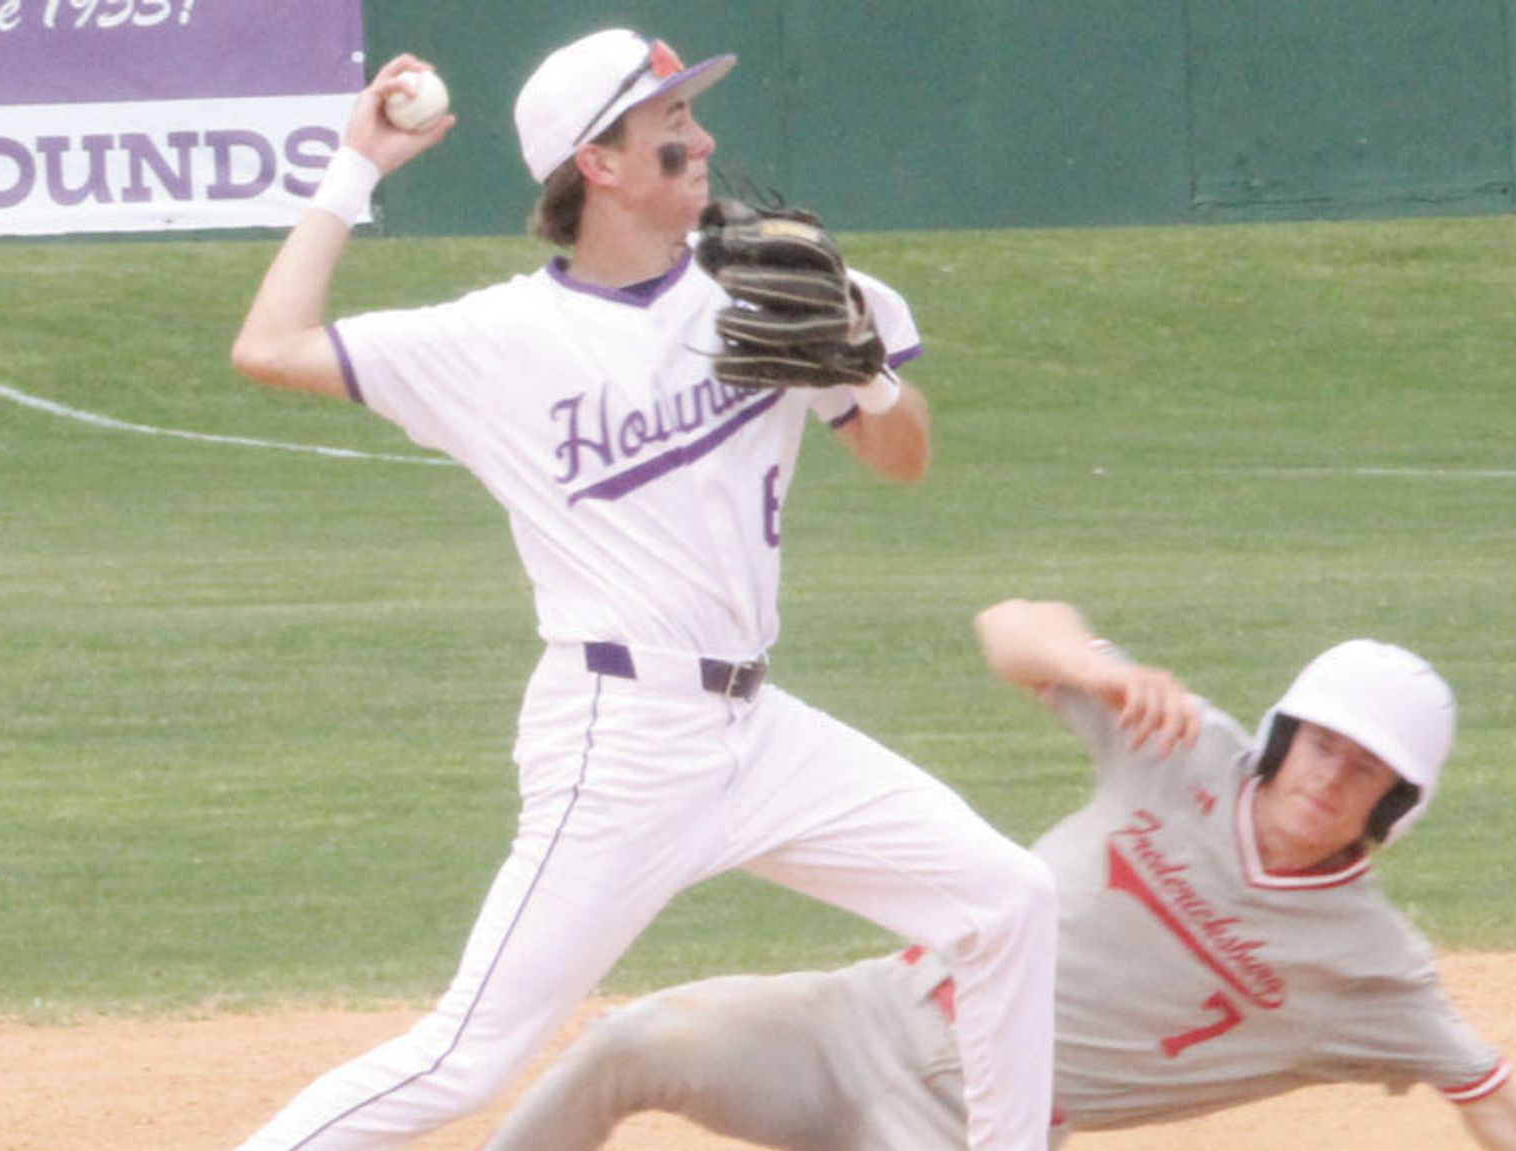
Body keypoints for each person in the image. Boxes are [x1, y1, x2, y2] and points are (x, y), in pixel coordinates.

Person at [227, 28, 1057, 1151]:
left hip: (758, 733)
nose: (703, 142)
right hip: (619, 742)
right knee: (464, 1057)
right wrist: (355, 166)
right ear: (599, 165)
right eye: (671, 128)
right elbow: (268, 343)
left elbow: (901, 456)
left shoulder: (772, 287)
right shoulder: (496, 338)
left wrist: (860, 366)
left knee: (1009, 901)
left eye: (693, 118)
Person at [478, 598, 1516, 1151]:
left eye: (1366, 769)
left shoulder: (1369, 964)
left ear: (1394, 807)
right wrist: (1096, 665)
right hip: (858, 1018)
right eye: (1323, 744)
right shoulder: (1182, 744)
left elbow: (1492, 1096)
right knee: (633, 1042)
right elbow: (1009, 624)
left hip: (976, 1124)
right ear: (1284, 736)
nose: (1331, 775)